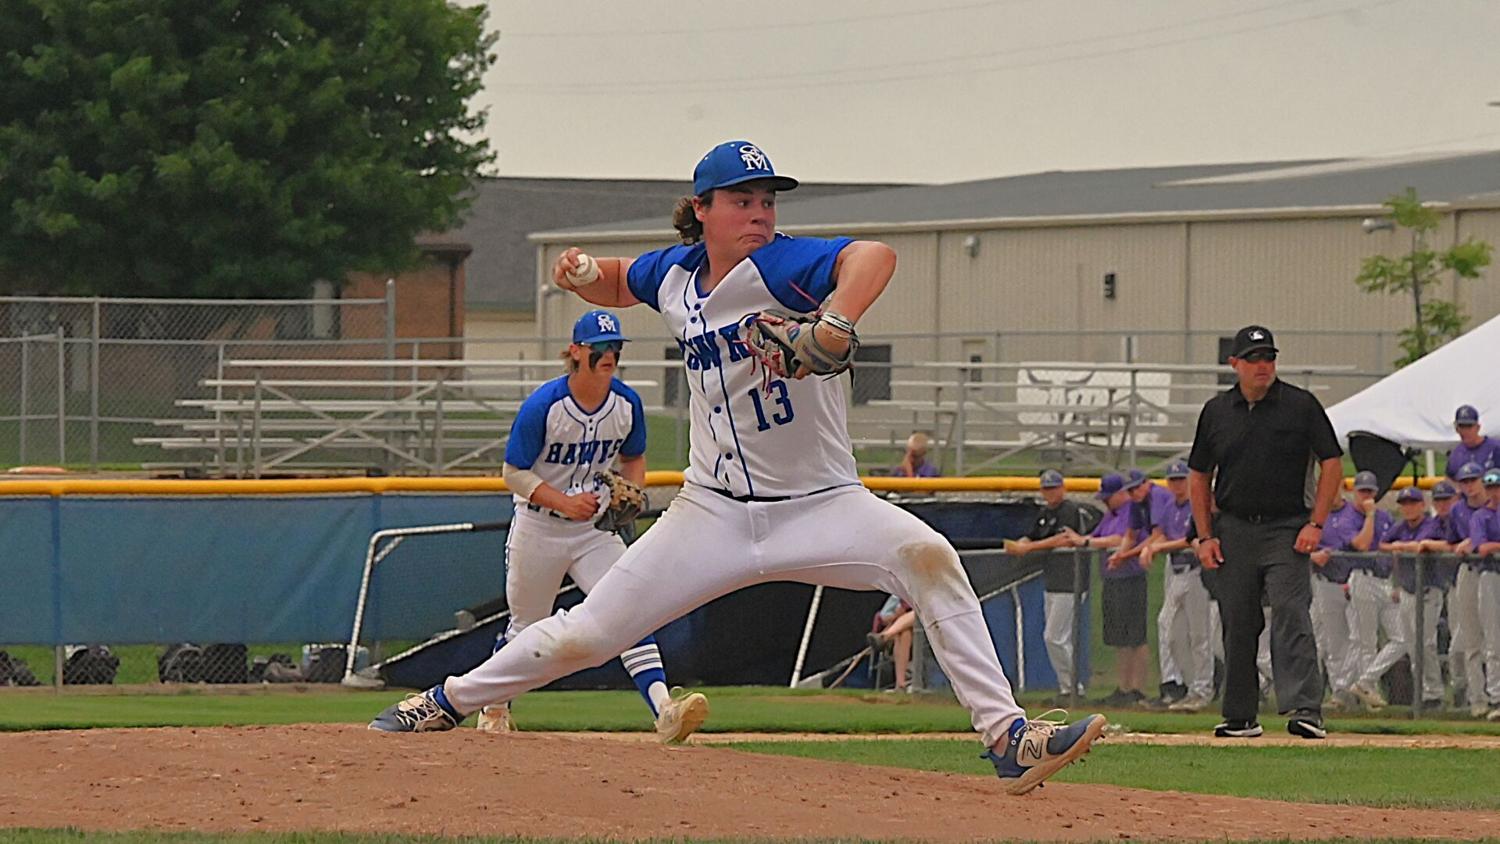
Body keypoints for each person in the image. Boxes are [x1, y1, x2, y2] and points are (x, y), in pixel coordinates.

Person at [367, 139, 1105, 794]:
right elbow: (619, 280)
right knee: (589, 633)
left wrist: (836, 318)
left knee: (927, 554)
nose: (759, 213)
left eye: (767, 200)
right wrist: (580, 271)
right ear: (703, 209)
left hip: (821, 504)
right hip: (711, 512)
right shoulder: (678, 276)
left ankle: (1008, 737)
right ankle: (444, 700)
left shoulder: (784, 265)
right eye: (742, 200)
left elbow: (873, 256)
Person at [459, 310, 703, 740]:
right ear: (576, 352)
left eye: (615, 349)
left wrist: (631, 491)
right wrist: (563, 502)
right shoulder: (545, 406)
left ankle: (665, 710)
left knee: (630, 611)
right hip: (540, 528)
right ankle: (494, 708)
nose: (609, 356)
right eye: (600, 349)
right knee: (526, 625)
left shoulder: (626, 403)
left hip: (595, 530)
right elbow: (513, 472)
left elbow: (634, 458)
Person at [1187, 325, 1343, 740]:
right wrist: (1205, 536)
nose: (1263, 366)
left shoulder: (1300, 406)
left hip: (1287, 526)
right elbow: (1199, 475)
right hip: (1235, 527)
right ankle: (1240, 715)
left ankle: (1305, 708)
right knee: (1238, 618)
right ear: (1234, 363)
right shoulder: (1217, 412)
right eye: (1254, 359)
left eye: (1269, 358)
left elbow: (1332, 462)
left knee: (1291, 611)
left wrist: (1316, 523)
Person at [1004, 468, 1100, 702]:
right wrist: (1022, 543)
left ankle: (1074, 688)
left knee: (1055, 636)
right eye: (1046, 489)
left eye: (1054, 488)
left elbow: (1064, 539)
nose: (1050, 493)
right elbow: (1033, 534)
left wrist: (1028, 548)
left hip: (1071, 580)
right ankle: (1067, 688)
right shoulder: (1045, 512)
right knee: (1056, 637)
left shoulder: (1069, 510)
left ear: (1063, 488)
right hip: (1053, 580)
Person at [1140, 461, 1214, 712]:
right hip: (1176, 572)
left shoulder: (1198, 505)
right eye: (1173, 480)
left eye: (1181, 479)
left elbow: (1190, 539)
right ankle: (1191, 687)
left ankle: (1203, 690)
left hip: (1197, 573)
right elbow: (1160, 534)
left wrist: (1157, 547)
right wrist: (1146, 548)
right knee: (1170, 632)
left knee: (1199, 635)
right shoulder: (1170, 505)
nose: (1177, 485)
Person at [1064, 473, 1142, 705]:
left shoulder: (1131, 509)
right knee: (1118, 636)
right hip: (1111, 577)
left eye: (1109, 497)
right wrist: (1079, 539)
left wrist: (1086, 542)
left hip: (1131, 576)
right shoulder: (1111, 514)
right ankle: (1123, 687)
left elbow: (1119, 540)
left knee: (1134, 637)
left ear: (1121, 493)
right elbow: (1095, 536)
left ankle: (1136, 689)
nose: (1105, 501)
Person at [1379, 486, 1446, 709]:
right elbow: (1381, 544)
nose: (1408, 508)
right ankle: (1421, 693)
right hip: (1408, 591)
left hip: (1428, 590)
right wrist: (1396, 546)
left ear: (1422, 505)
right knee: (1411, 644)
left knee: (1425, 643)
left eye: (1412, 503)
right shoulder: (1401, 526)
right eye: (1404, 504)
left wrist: (1402, 546)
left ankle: (1433, 693)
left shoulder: (1431, 523)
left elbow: (1422, 545)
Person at [1342, 471, 1401, 711]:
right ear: (1355, 492)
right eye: (1362, 491)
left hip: (1384, 580)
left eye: (1371, 492)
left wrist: (1396, 582)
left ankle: (1365, 681)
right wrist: (1369, 516)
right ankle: (1370, 697)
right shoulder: (1349, 516)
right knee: (1367, 641)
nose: (1367, 495)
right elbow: (1362, 544)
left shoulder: (1385, 516)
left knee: (1402, 637)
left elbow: (1391, 549)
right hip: (1362, 578)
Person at [1307, 484, 1364, 710]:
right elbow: (1299, 547)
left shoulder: (1354, 512)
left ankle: (1351, 690)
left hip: (1355, 581)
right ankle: (1339, 693)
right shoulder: (1315, 516)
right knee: (1333, 642)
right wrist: (1314, 555)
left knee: (1358, 639)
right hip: (1326, 582)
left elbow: (1366, 542)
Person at [1446, 463, 1490, 715]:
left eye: (1474, 480)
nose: (1470, 485)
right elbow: (1451, 543)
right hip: (1469, 572)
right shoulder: (1457, 510)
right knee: (1472, 639)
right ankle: (1477, 698)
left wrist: (1474, 541)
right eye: (1466, 481)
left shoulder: (1492, 506)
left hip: (1491, 570)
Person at [1468, 469, 1500, 721]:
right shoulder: (1481, 516)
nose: (1494, 492)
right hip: (1491, 576)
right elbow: (1481, 548)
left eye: (1497, 486)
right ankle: (1497, 698)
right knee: (1493, 641)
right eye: (1490, 487)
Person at [867, 594, 916, 691]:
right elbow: (882, 617)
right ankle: (901, 684)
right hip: (904, 633)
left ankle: (884, 636)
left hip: (928, 631)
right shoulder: (899, 595)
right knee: (904, 633)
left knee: (917, 613)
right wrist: (895, 615)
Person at [1445, 405, 1500, 479]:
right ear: (1457, 429)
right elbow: (1449, 478)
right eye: (1462, 426)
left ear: (1478, 427)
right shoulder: (1455, 455)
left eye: (1469, 426)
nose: (1465, 431)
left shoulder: (1496, 448)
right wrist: (1457, 488)